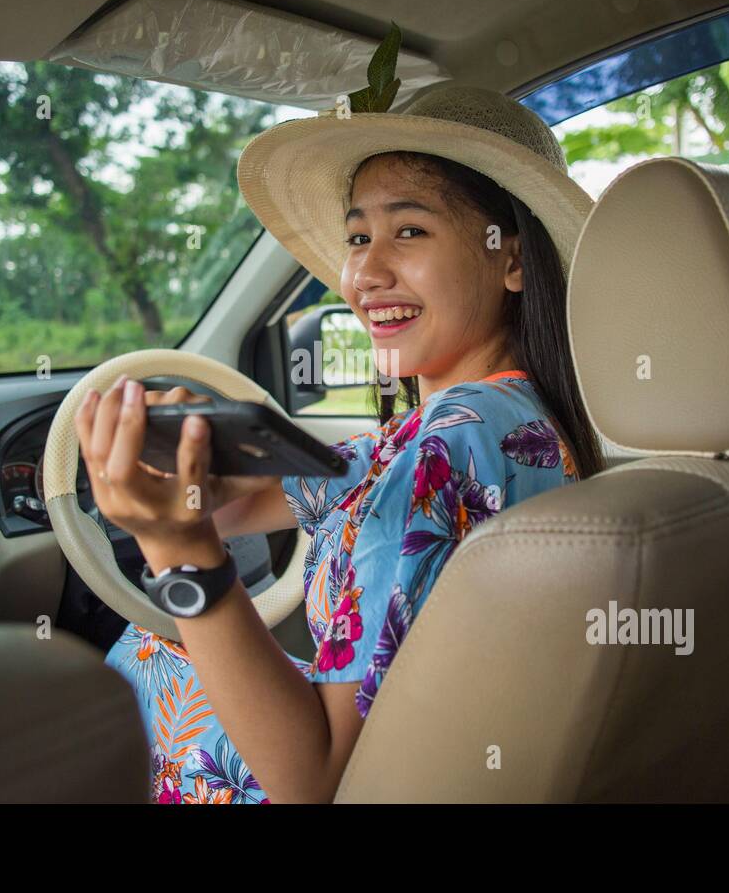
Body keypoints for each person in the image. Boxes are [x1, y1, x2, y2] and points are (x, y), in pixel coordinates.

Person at [76, 83, 605, 804]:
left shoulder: (439, 454)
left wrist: (179, 553)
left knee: (119, 676)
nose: (365, 274)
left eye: (409, 231)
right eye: (358, 238)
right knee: (146, 651)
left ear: (511, 259)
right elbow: (266, 495)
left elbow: (314, 783)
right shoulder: (509, 424)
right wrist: (194, 469)